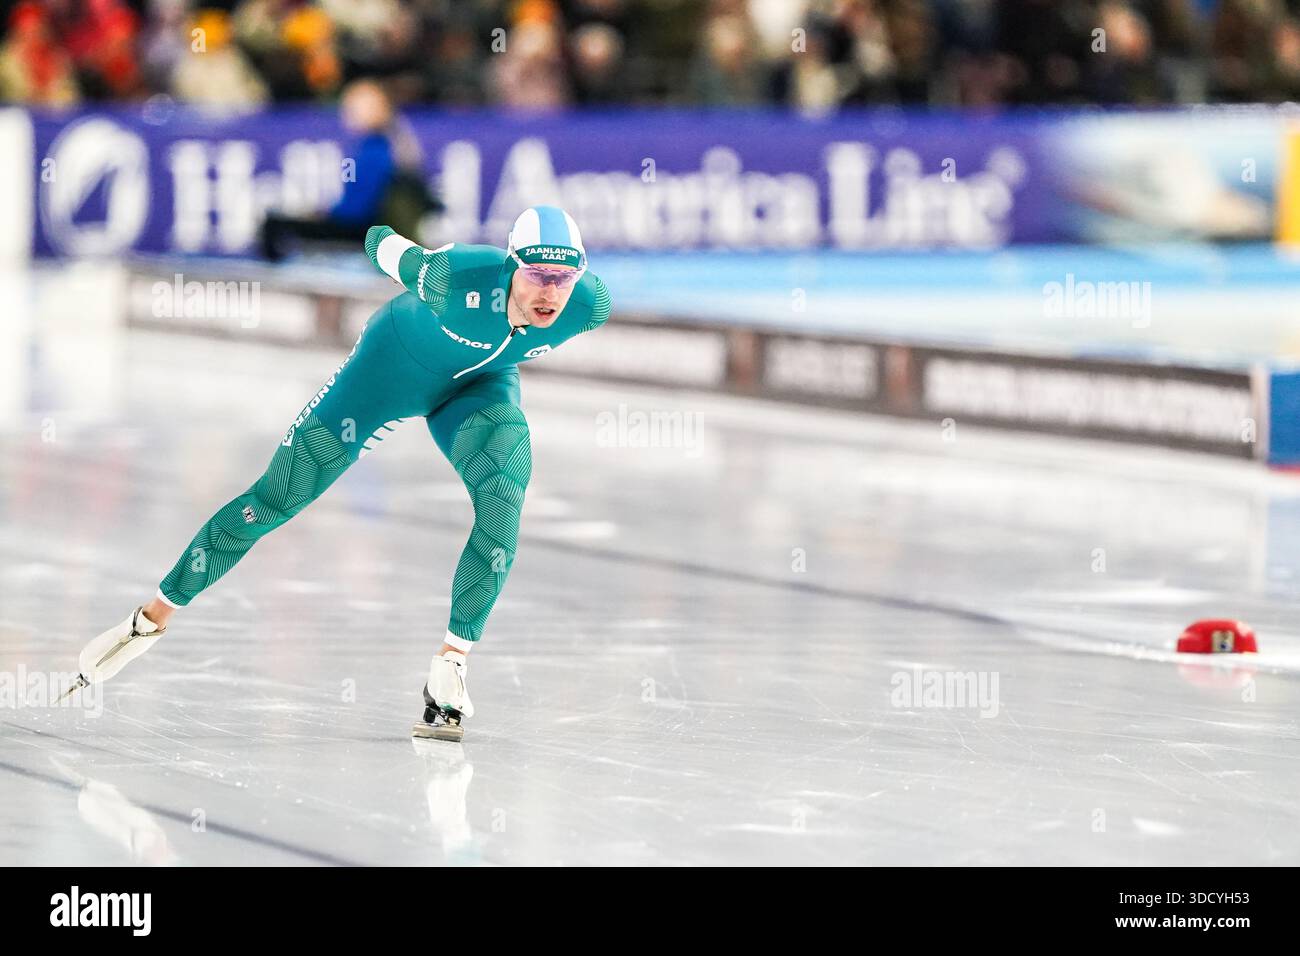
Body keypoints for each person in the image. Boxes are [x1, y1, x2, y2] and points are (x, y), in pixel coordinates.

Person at [69, 206, 611, 741]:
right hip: (384, 372)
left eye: (564, 277)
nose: (551, 292)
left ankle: (451, 664)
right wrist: (412, 255)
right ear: (514, 265)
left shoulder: (589, 305)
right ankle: (152, 616)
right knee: (275, 500)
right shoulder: (456, 280)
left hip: (476, 389)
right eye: (539, 274)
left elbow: (551, 310)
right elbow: (378, 238)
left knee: (503, 504)